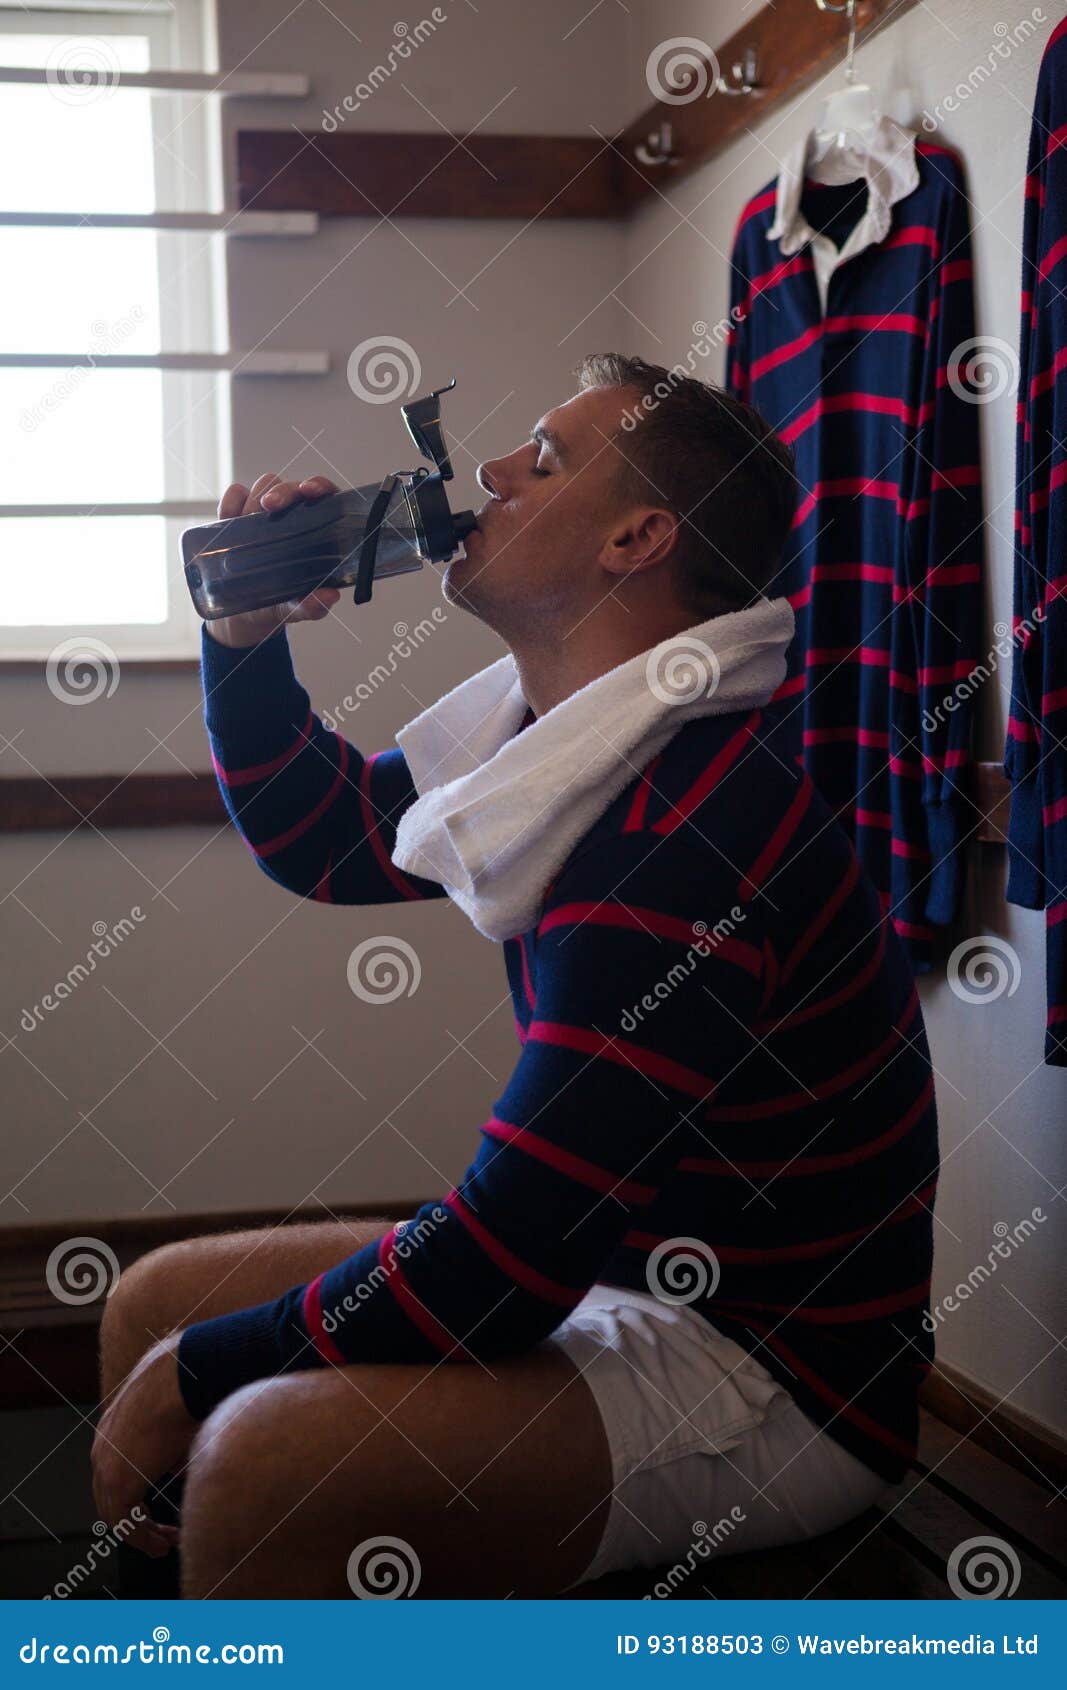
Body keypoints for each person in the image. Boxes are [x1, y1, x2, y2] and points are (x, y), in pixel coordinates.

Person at [92, 354, 939, 1599]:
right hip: (614, 1266)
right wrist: (243, 635)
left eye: (542, 460)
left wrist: (197, 1375)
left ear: (635, 539)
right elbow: (329, 839)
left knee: (252, 1455)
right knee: (149, 1302)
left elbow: (505, 1257)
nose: (486, 471)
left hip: (773, 1374)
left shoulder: (687, 833)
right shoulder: (566, 751)